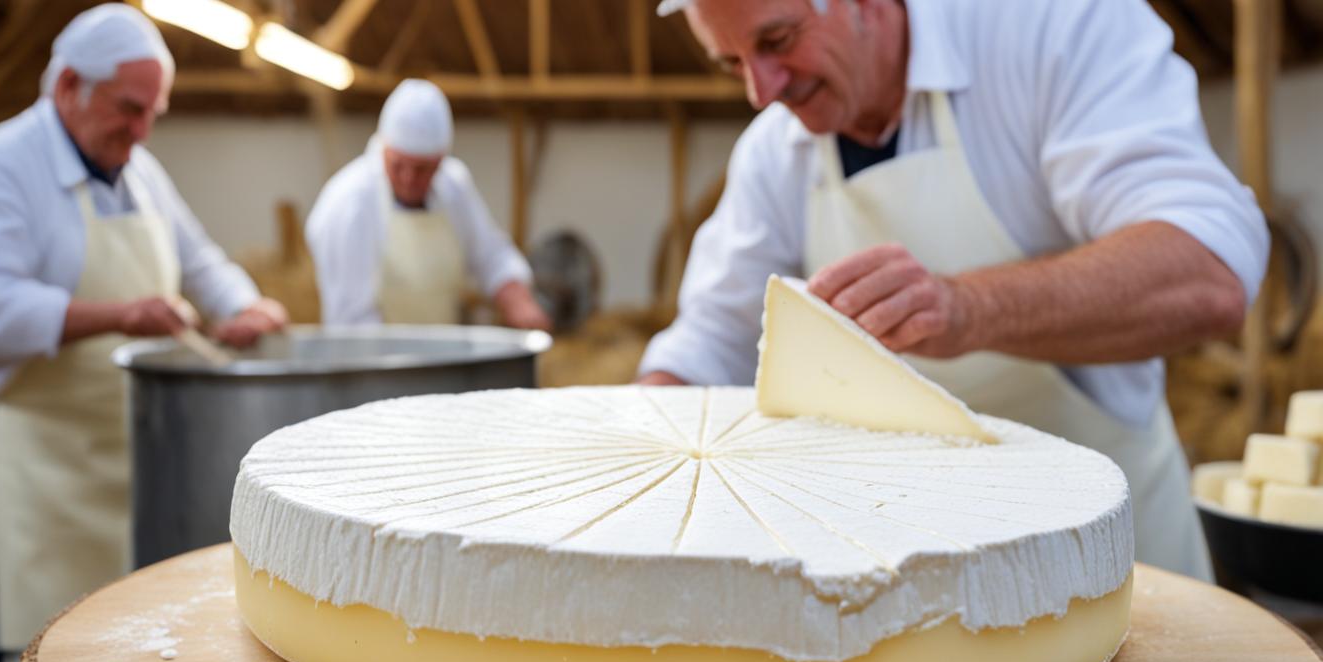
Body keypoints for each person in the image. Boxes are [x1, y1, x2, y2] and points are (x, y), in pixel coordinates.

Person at [639, 0, 1270, 579]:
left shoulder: (1053, 26)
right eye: (732, 64)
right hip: (900, 570)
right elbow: (708, 344)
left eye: (778, 40)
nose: (761, 90)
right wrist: (627, 445)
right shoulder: (775, 154)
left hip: (1110, 565)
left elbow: (1209, 267)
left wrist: (968, 307)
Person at [0, 4, 286, 662]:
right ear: (67, 89)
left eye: (154, 113)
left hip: (138, 464)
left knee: (132, 655)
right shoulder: (2, 164)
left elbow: (200, 259)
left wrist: (242, 305)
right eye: (128, 108)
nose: (141, 129)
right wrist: (119, 313)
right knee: (48, 661)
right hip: (50, 473)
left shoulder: (140, 170)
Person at [307, 79, 551, 330]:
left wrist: (517, 300)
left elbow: (491, 254)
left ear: (440, 160)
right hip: (377, 361)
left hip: (445, 354)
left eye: (422, 169)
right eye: (398, 165)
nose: (409, 179)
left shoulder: (453, 186)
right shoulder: (349, 202)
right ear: (383, 148)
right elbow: (350, 322)